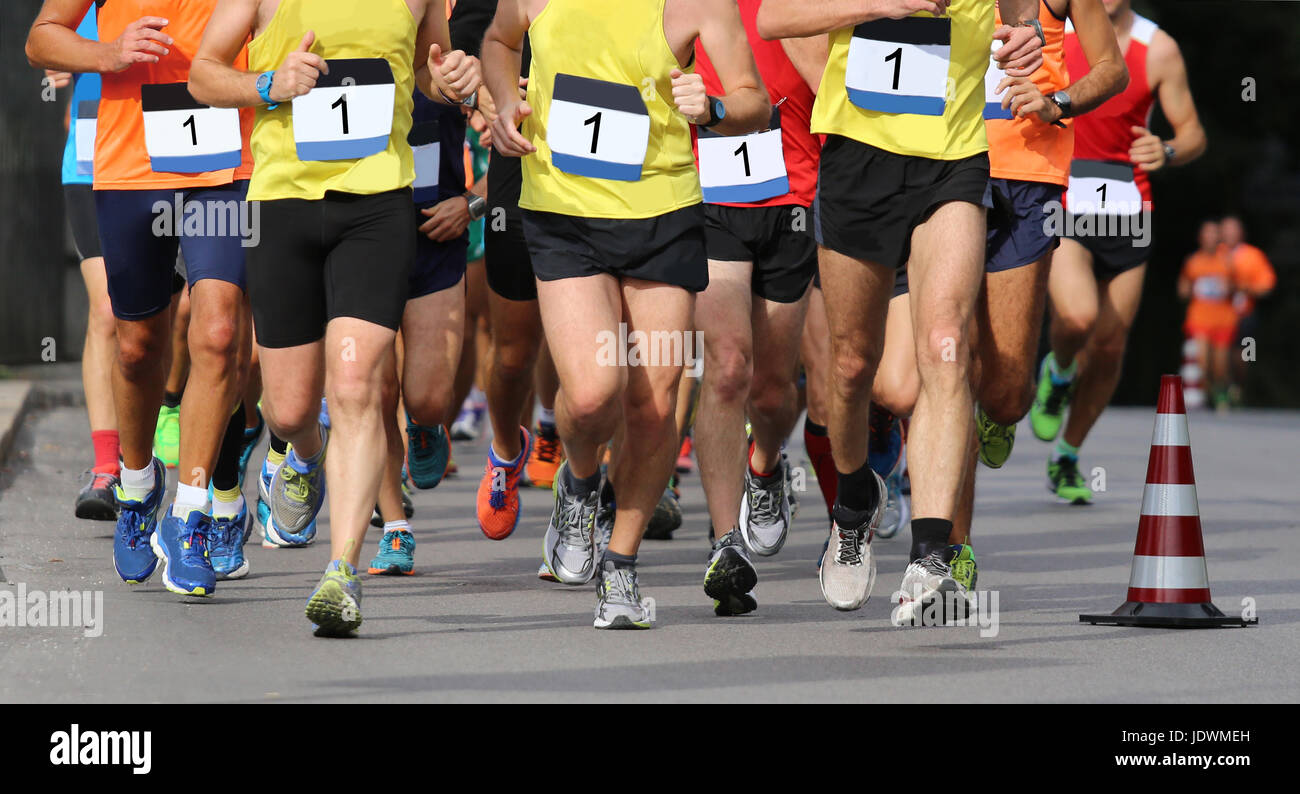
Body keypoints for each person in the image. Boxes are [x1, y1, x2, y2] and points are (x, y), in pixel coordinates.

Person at [190, 0, 481, 634]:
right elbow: (202, 73)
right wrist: (267, 84)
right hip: (283, 205)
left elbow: (432, 71)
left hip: (377, 205)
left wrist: (455, 77)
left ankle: (341, 571)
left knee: (355, 386)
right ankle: (303, 455)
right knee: (288, 410)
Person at [483, 0, 770, 629]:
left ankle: (621, 565)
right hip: (563, 212)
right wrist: (505, 101)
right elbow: (499, 42)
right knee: (590, 397)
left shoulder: (697, 6)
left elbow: (756, 98)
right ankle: (580, 483)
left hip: (663, 218)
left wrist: (715, 108)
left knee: (653, 404)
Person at [757, 0, 1045, 612]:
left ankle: (931, 556)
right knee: (852, 363)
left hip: (953, 159)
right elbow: (773, 18)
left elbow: (1022, 7)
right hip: (857, 160)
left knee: (946, 344)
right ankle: (855, 505)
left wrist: (1026, 30)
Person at [28, 0, 259, 596]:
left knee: (218, 333)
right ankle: (135, 485)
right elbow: (41, 39)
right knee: (136, 347)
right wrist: (107, 52)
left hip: (225, 164)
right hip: (133, 164)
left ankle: (190, 513)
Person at [1030, 0, 1206, 504]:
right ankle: (1059, 369)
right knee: (1079, 317)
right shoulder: (1051, 28)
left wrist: (1168, 149)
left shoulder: (1159, 48)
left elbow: (1193, 131)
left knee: (1108, 346)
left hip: (1129, 209)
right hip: (1064, 196)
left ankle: (1067, 453)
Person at [692, 0, 824, 617]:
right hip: (707, 191)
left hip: (792, 193)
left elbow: (839, 91)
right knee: (725, 368)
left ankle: (765, 467)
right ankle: (728, 544)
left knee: (772, 392)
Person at [368, 86, 482, 576]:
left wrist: (473, 202)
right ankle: (394, 527)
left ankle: (425, 424)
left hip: (437, 232)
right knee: (372, 388)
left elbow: (527, 132)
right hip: (362, 234)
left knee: (428, 397)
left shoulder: (462, 48)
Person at [44, 10, 119, 522]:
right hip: (89, 163)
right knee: (109, 310)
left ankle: (171, 407)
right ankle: (107, 467)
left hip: (171, 162)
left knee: (183, 316)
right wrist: (57, 66)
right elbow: (46, 39)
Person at [1219, 215, 1276, 406]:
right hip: (1218, 316)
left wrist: (1245, 288)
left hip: (1246, 315)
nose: (1229, 233)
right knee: (1220, 354)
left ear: (1241, 233)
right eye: (1226, 229)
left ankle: (1241, 388)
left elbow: (1267, 286)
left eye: (1233, 229)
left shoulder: (1253, 255)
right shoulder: (1215, 254)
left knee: (1245, 354)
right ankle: (1222, 391)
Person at [1178, 220, 1235, 408]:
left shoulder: (1227, 260)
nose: (1210, 238)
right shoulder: (1193, 262)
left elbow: (1240, 287)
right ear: (1200, 238)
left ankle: (1223, 392)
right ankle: (1209, 395)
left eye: (1214, 234)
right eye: (1207, 234)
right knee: (1202, 362)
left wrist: (1230, 287)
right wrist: (1190, 288)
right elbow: (1183, 290)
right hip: (1199, 318)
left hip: (1223, 319)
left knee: (1220, 366)